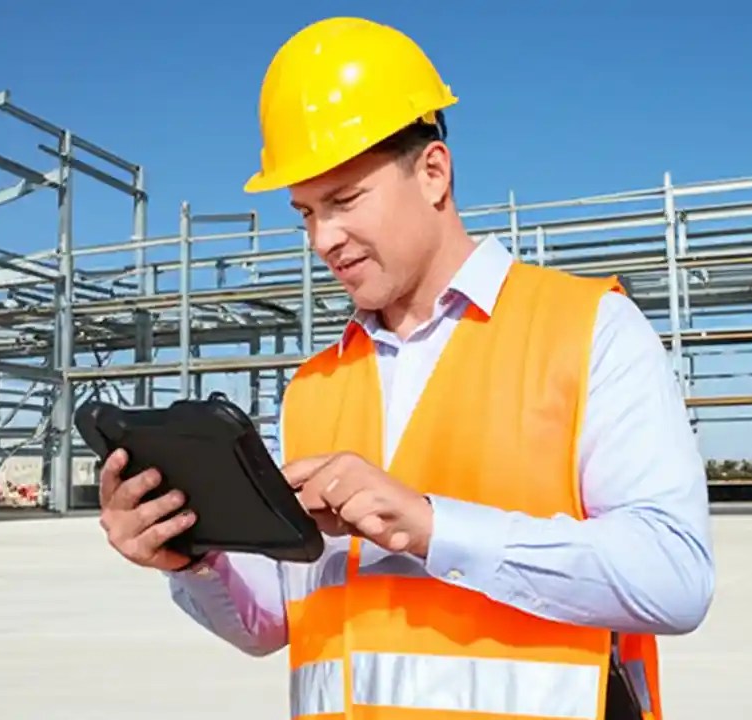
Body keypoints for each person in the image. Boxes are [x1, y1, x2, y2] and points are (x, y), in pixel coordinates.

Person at [97, 15, 714, 720]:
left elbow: (674, 578)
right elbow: (272, 624)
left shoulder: (589, 329)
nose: (322, 239)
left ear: (432, 172)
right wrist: (192, 557)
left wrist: (430, 527)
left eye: (344, 201)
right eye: (304, 212)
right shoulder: (313, 389)